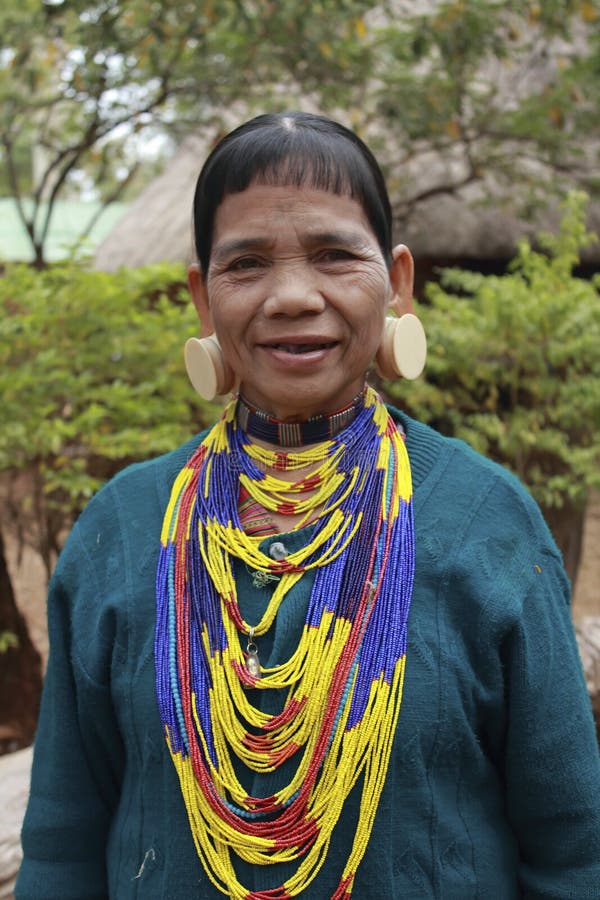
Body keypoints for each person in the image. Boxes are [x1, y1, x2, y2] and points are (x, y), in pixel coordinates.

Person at [16, 112, 600, 900]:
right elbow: (60, 847)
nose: (293, 297)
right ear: (202, 296)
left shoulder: (488, 522)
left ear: (396, 280)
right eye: (247, 263)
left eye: (333, 255)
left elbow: (572, 853)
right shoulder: (121, 532)